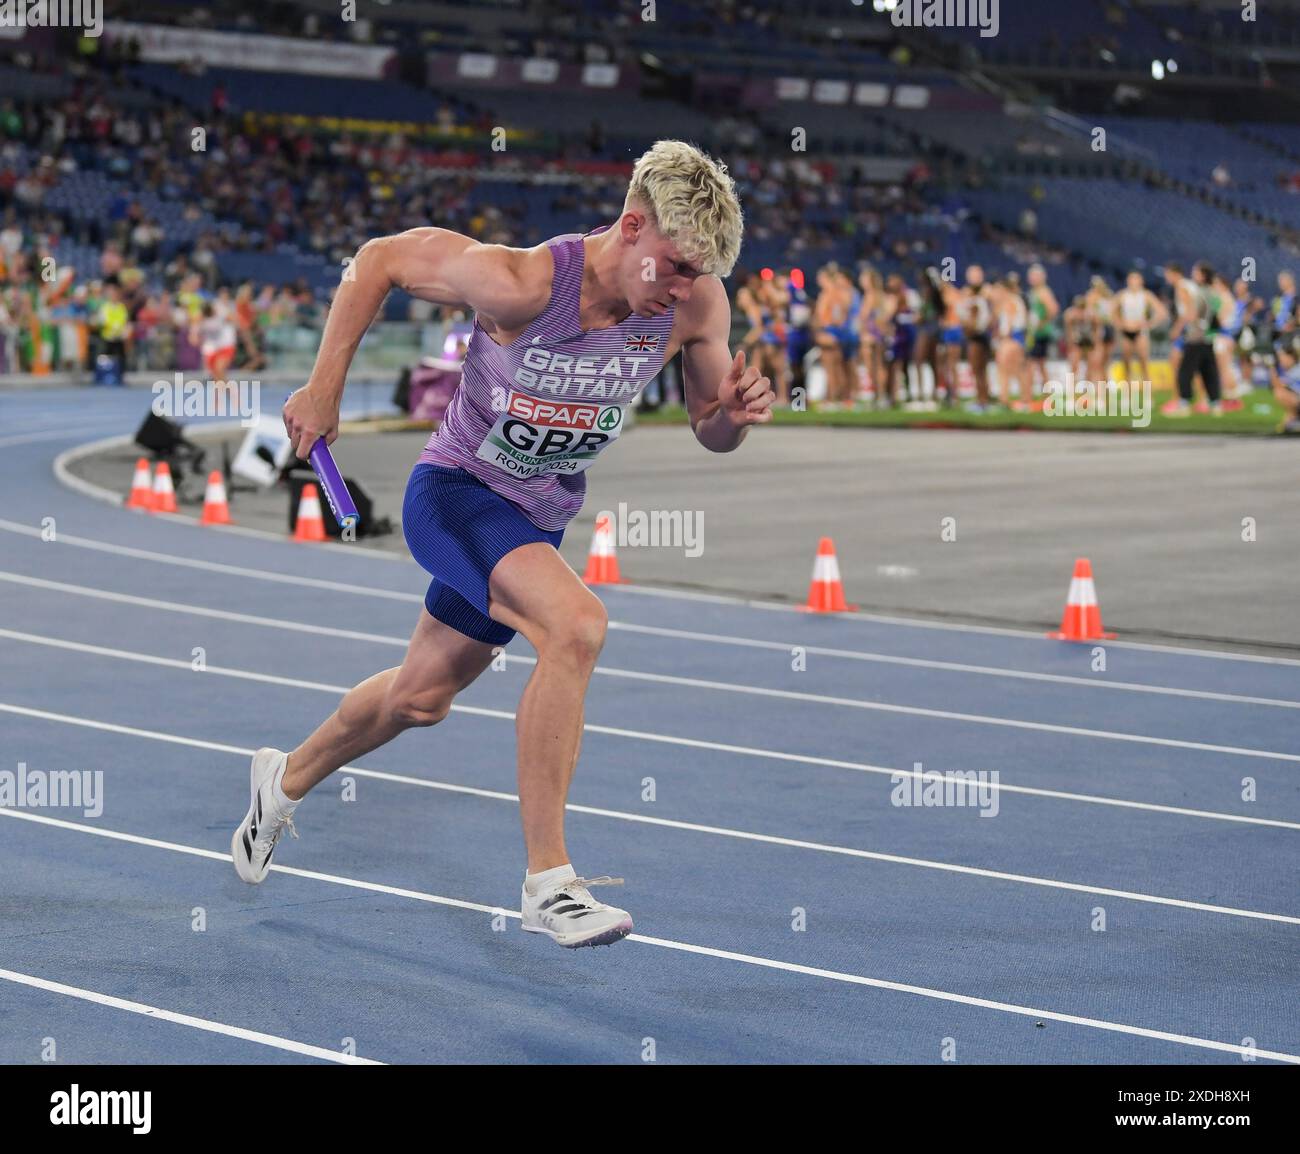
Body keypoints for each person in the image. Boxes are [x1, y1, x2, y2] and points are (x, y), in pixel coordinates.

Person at [231, 140, 772, 949]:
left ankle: (283, 780)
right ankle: (549, 883)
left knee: (421, 698)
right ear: (630, 227)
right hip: (456, 494)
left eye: (702, 273)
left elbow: (708, 428)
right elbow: (376, 260)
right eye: (678, 266)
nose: (690, 289)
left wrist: (731, 411)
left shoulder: (694, 306)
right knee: (576, 626)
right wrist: (324, 386)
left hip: (537, 515)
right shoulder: (521, 283)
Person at [1112, 270, 1167, 390]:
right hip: (1126, 332)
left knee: (1144, 365)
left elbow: (1161, 312)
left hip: (1140, 332)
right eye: (1131, 279)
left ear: (1141, 281)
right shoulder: (1122, 295)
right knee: (1126, 365)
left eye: (1136, 279)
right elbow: (1112, 312)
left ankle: (1149, 397)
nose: (1134, 282)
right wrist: (1120, 324)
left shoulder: (1146, 295)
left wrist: (1149, 324)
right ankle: (1127, 396)